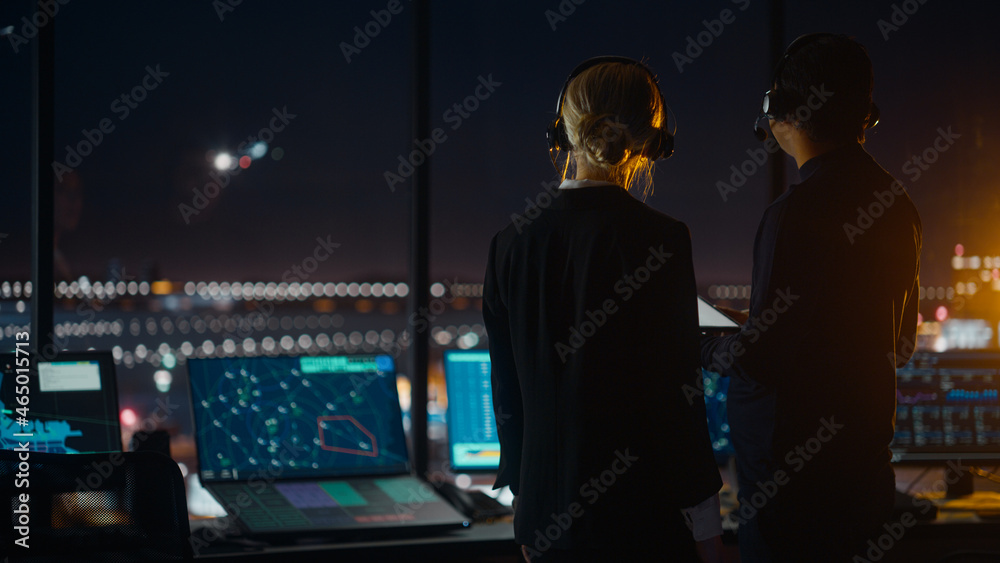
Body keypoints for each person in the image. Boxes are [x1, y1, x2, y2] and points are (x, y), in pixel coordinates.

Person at [483, 57, 723, 562]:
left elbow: (509, 394)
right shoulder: (662, 240)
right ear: (651, 142)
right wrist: (705, 523)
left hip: (546, 527)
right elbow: (679, 398)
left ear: (560, 131)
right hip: (645, 522)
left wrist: (529, 507)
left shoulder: (509, 245)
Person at [700, 34, 922, 561]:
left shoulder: (793, 213)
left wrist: (704, 344)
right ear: (865, 113)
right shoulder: (896, 204)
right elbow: (896, 341)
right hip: (862, 477)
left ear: (781, 111)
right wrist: (755, 324)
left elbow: (766, 355)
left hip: (788, 496)